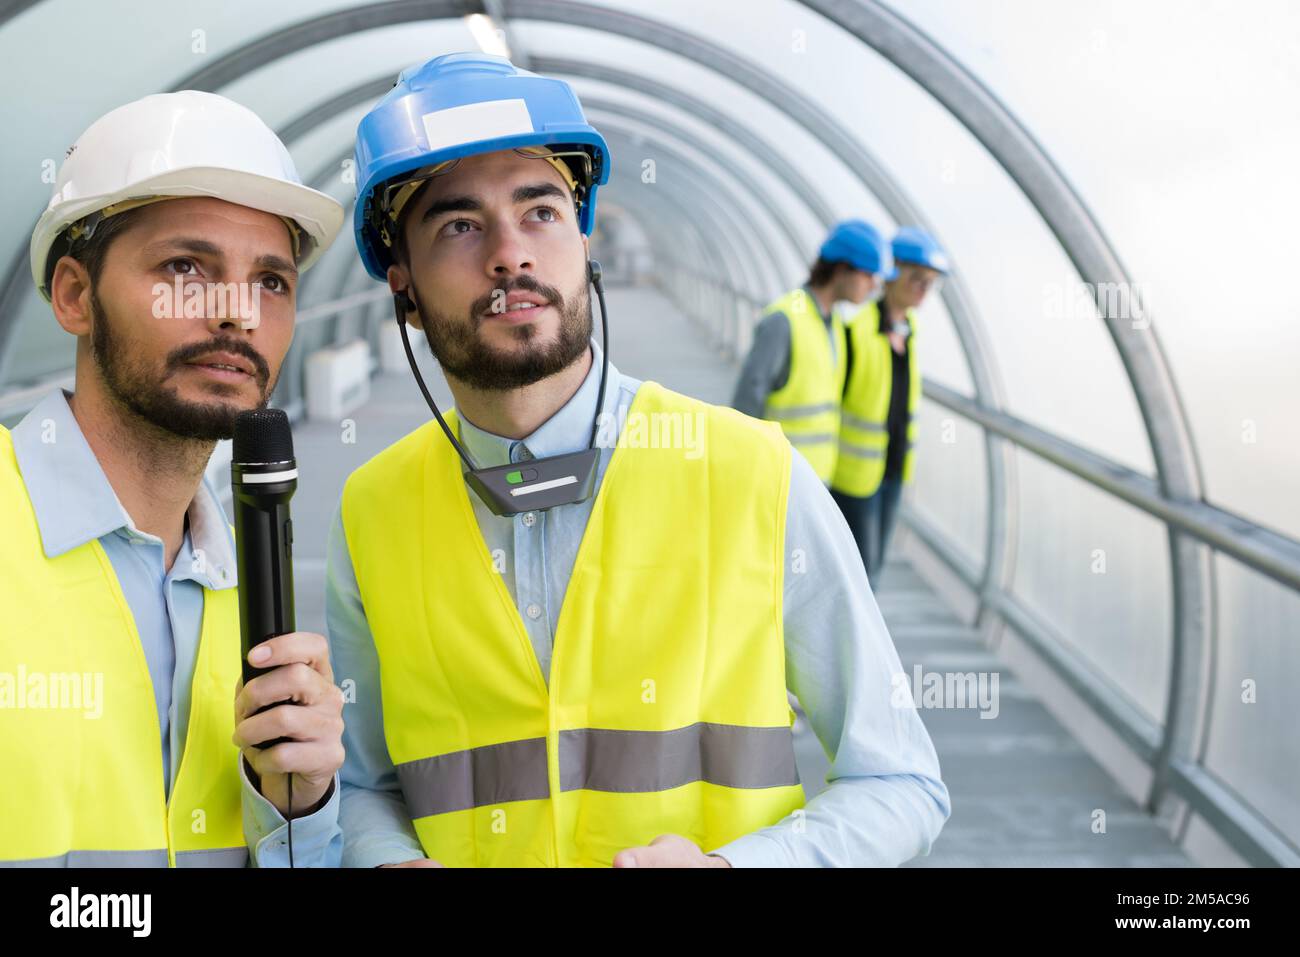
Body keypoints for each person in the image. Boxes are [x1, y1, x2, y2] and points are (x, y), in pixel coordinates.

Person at [328, 53, 949, 867]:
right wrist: (388, 859)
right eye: (459, 225)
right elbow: (366, 784)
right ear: (400, 281)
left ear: (585, 238)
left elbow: (901, 781)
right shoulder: (373, 509)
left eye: (541, 211)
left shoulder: (749, 472)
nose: (511, 255)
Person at [0, 91, 347, 867]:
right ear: (74, 295)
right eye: (185, 268)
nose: (236, 313)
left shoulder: (249, 594)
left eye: (271, 282)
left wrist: (302, 806)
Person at [731, 220, 892, 485]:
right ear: (842, 269)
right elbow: (746, 405)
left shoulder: (835, 321)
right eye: (868, 275)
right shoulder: (783, 320)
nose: (874, 285)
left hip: (815, 479)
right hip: (778, 480)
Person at [830, 226, 949, 583]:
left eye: (931, 282)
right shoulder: (855, 329)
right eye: (917, 278)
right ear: (892, 270)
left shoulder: (909, 328)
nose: (923, 289)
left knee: (875, 568)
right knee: (858, 574)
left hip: (893, 469)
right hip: (852, 477)